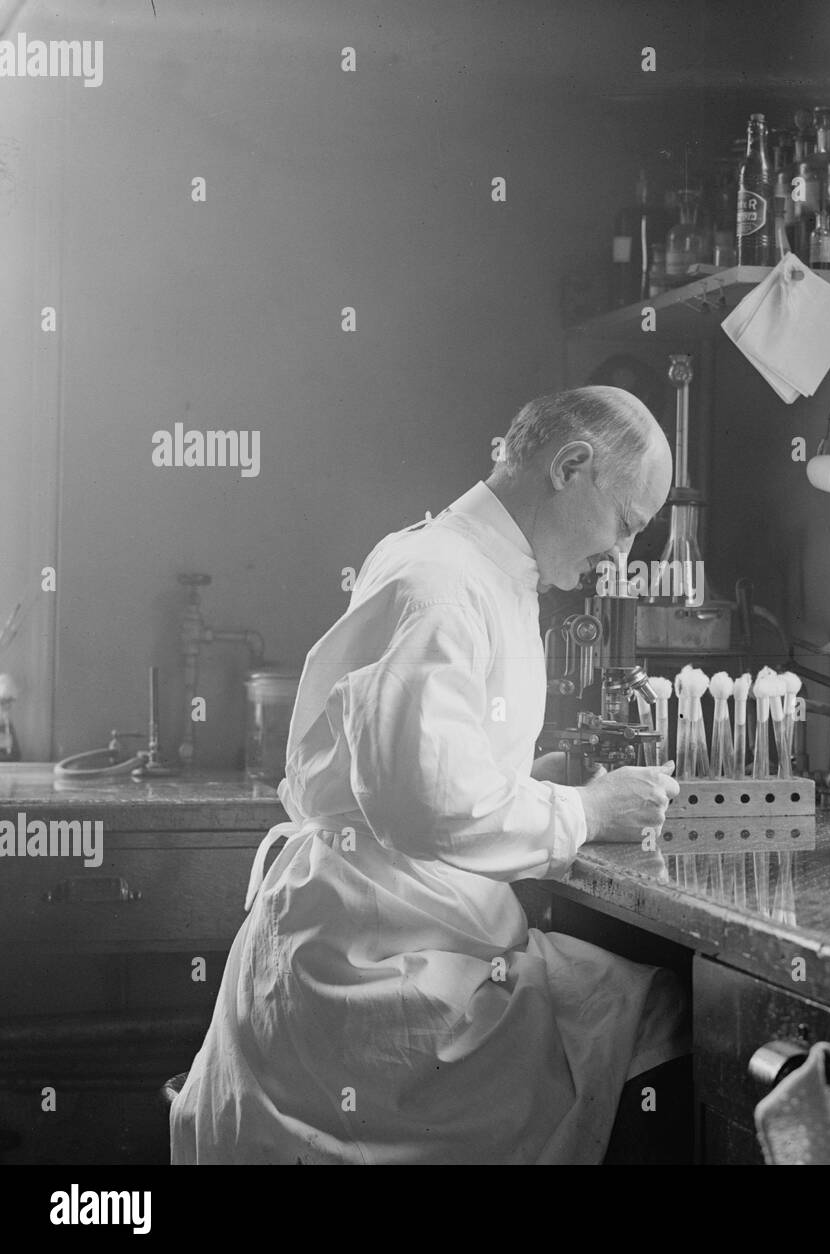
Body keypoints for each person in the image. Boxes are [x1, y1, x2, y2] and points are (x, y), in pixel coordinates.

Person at [171, 386, 690, 1164]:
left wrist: (522, 777)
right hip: (377, 968)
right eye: (626, 525)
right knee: (662, 1014)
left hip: (381, 931)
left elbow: (418, 760)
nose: (619, 557)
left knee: (630, 1008)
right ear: (571, 466)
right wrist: (583, 810)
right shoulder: (444, 583)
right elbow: (423, 807)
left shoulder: (460, 559)